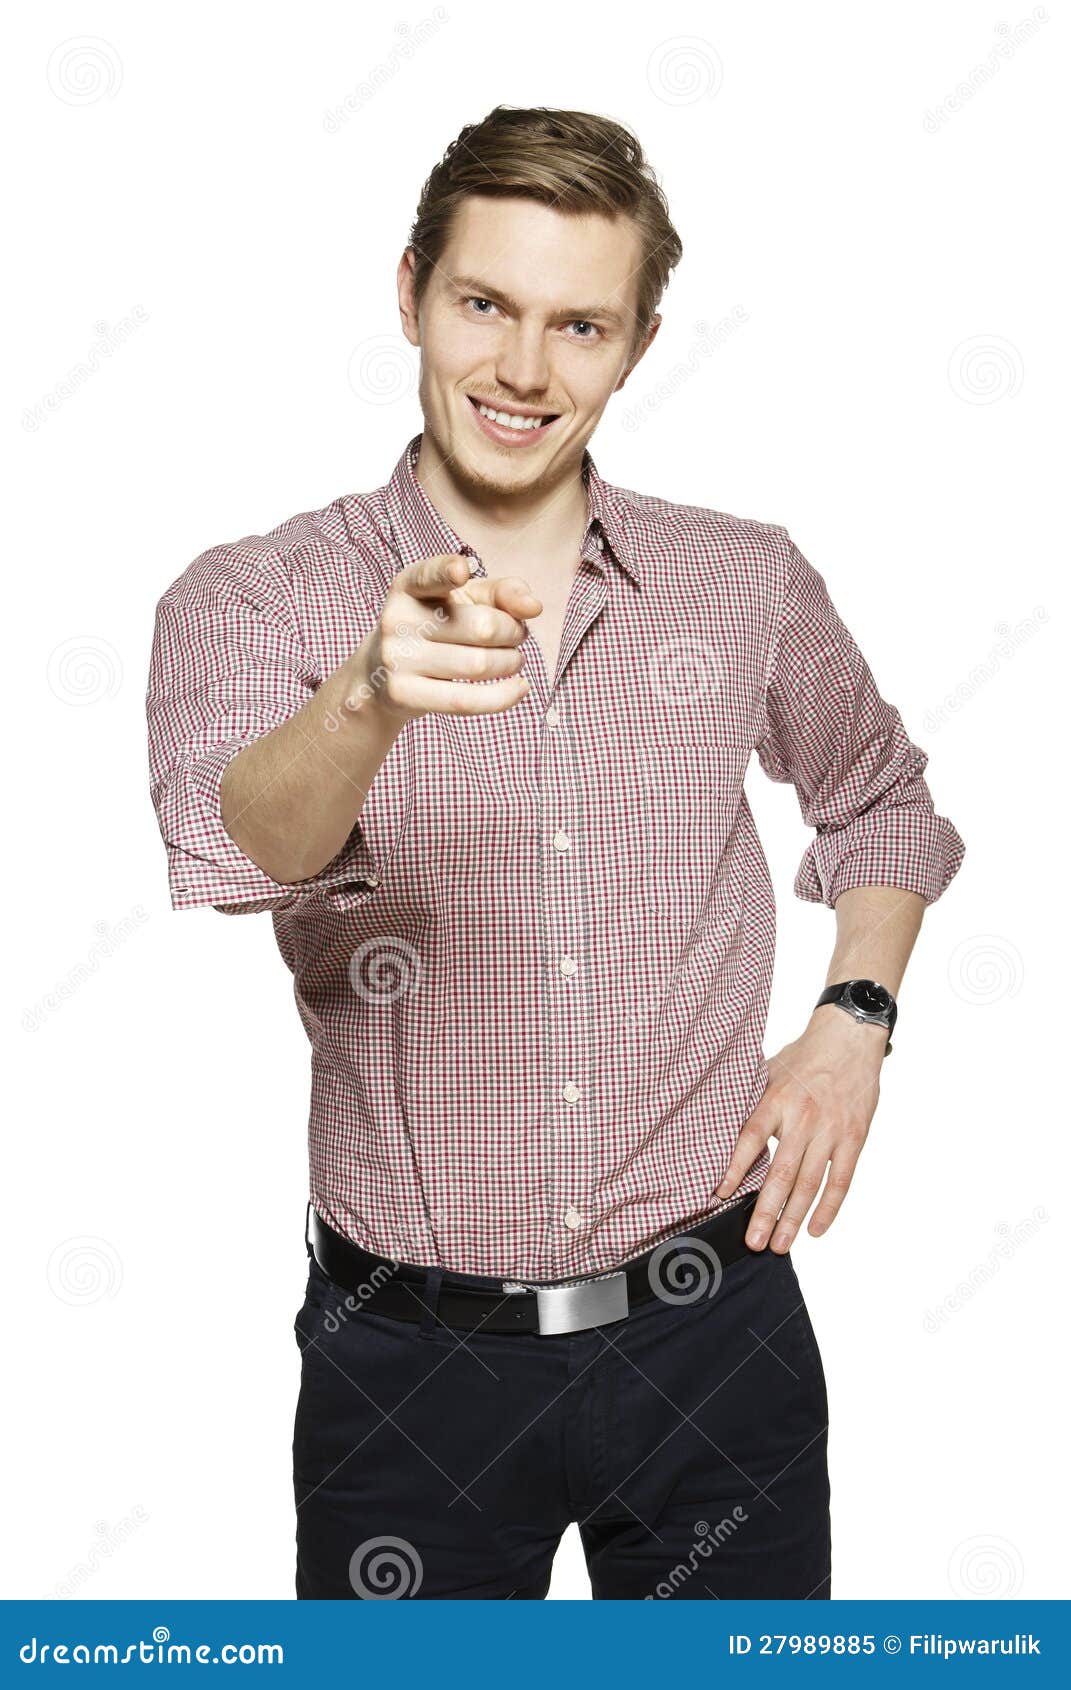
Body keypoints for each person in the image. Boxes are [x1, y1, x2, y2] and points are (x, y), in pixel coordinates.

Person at [146, 105, 966, 1601]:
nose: (524, 370)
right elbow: (233, 839)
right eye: (485, 304)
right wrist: (368, 696)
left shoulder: (741, 581)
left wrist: (855, 1021)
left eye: (579, 324)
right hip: (409, 1372)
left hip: (718, 1340)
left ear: (636, 347)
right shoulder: (254, 597)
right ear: (411, 292)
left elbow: (882, 802)